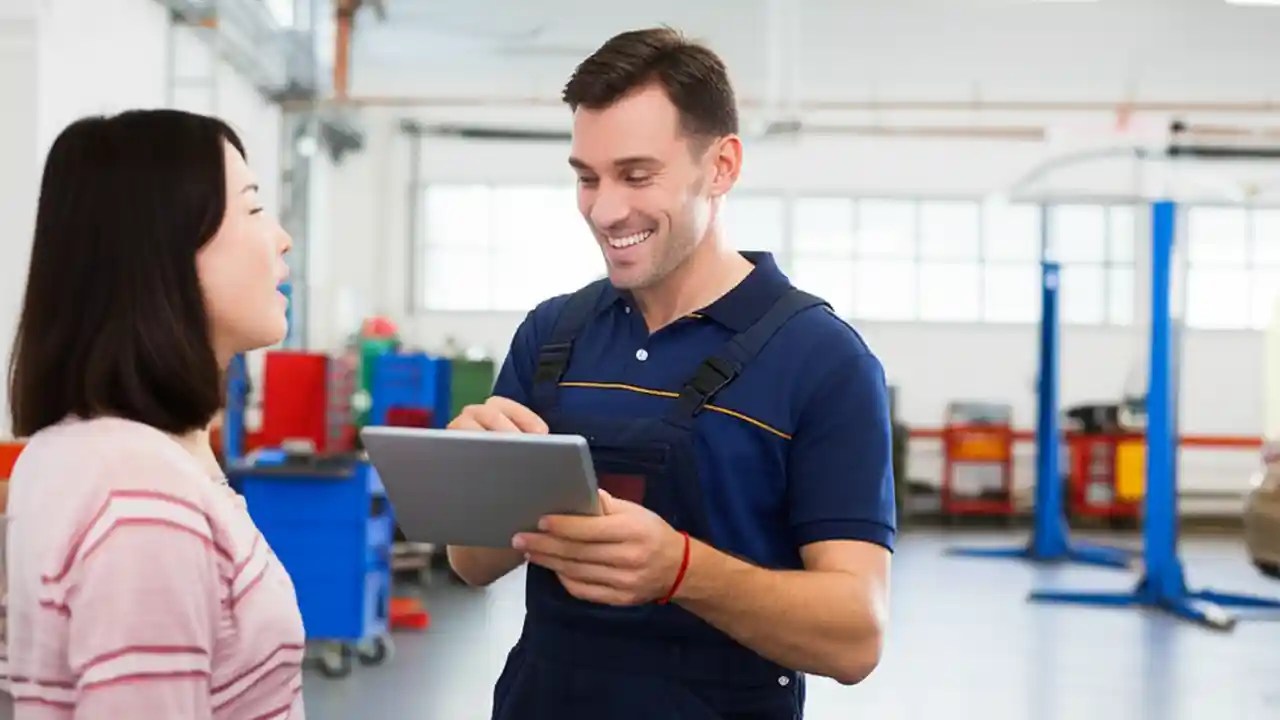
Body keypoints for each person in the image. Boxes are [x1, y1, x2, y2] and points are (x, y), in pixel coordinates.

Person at [447, 27, 895, 719]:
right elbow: (471, 564)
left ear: (721, 167)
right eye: (587, 177)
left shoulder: (823, 361)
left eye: (636, 175)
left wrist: (683, 571)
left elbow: (856, 638)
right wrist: (476, 481)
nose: (604, 210)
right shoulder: (552, 335)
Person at [3, 110, 306, 718]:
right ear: (163, 251)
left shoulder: (80, 452)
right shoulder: (140, 496)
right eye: (251, 207)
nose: (281, 238)